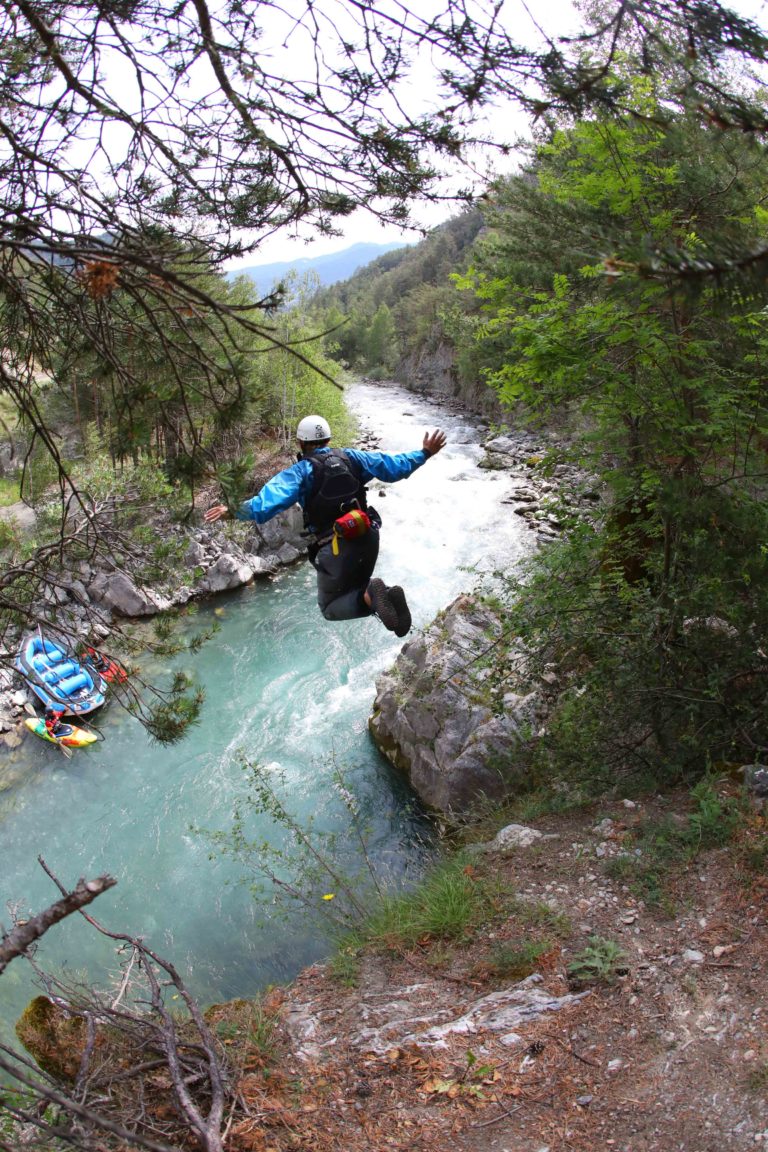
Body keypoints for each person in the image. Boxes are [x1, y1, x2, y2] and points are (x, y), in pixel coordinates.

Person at [204, 415, 447, 635]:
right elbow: (393, 467)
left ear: (301, 443)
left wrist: (232, 510)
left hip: (336, 546)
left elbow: (264, 504)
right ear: (329, 439)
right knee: (358, 588)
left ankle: (373, 593)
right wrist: (424, 453)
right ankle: (385, 595)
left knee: (330, 608)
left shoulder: (301, 472)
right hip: (368, 535)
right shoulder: (353, 457)